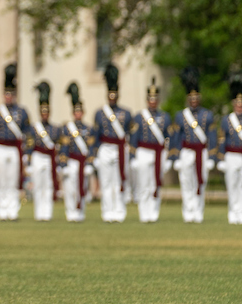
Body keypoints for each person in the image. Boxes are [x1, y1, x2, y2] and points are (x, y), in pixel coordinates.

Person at [168, 66, 214, 224]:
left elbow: (212, 136)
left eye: (196, 98)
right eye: (191, 98)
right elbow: (175, 137)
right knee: (186, 183)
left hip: (202, 152)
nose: (194, 101)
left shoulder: (207, 115)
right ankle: (188, 212)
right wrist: (175, 156)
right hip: (187, 151)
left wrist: (212, 156)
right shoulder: (180, 116)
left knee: (201, 182)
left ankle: (198, 212)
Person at [0, 64, 29, 222]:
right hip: (1, 148)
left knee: (13, 179)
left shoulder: (22, 111)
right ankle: (2, 209)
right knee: (2, 180)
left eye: (11, 94)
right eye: (6, 94)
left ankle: (13, 210)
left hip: (15, 149)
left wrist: (26, 154)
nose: (8, 97)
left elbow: (27, 132)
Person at [91, 63, 132, 223]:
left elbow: (130, 133)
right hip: (105, 148)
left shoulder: (126, 113)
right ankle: (107, 211)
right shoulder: (100, 114)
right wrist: (93, 155)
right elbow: (95, 136)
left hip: (120, 148)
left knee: (119, 181)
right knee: (106, 182)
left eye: (114, 95)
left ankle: (119, 211)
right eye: (110, 95)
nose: (112, 98)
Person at [213, 70, 242, 225]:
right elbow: (222, 139)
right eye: (237, 103)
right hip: (231, 155)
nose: (239, 106)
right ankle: (233, 212)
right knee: (232, 185)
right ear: (233, 104)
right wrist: (221, 157)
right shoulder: (226, 120)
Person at [130, 78, 171, 223]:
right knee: (143, 183)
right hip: (144, 151)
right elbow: (134, 138)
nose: (153, 101)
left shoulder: (165, 117)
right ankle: (143, 212)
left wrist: (168, 157)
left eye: (155, 99)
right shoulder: (140, 117)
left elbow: (168, 137)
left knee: (155, 184)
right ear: (147, 100)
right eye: (150, 99)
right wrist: (132, 156)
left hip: (158, 153)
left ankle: (153, 212)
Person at [57, 83, 94, 222]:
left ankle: (80, 212)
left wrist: (90, 162)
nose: (78, 114)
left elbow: (91, 148)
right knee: (70, 189)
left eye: (80, 111)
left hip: (83, 162)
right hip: (72, 161)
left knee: (82, 188)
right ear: (73, 113)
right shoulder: (67, 128)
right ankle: (70, 212)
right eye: (76, 112)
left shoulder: (88, 129)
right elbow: (64, 147)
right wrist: (63, 163)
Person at [27, 82, 59, 222]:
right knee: (38, 185)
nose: (45, 115)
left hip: (49, 158)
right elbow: (29, 145)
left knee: (48, 185)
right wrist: (27, 162)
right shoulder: (34, 129)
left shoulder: (55, 129)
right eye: (43, 112)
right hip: (38, 157)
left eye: (47, 112)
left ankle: (47, 212)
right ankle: (39, 212)